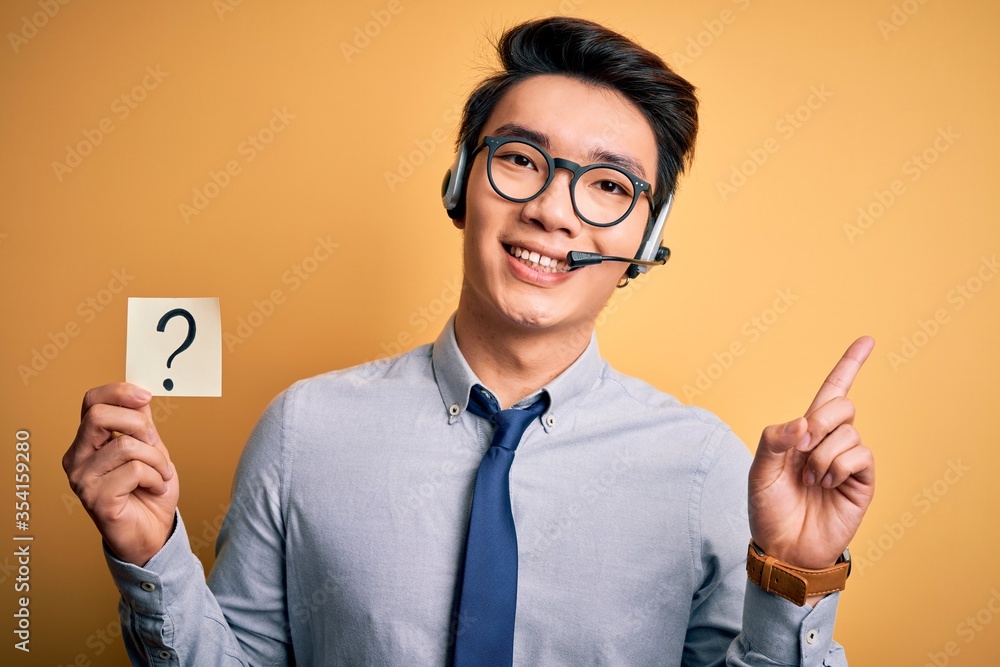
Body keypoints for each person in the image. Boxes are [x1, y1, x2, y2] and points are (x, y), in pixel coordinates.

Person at [63, 16, 875, 666]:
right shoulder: (302, 430)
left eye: (607, 186)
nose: (554, 212)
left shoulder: (706, 467)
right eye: (521, 159)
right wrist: (153, 554)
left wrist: (794, 581)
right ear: (461, 182)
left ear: (646, 240)